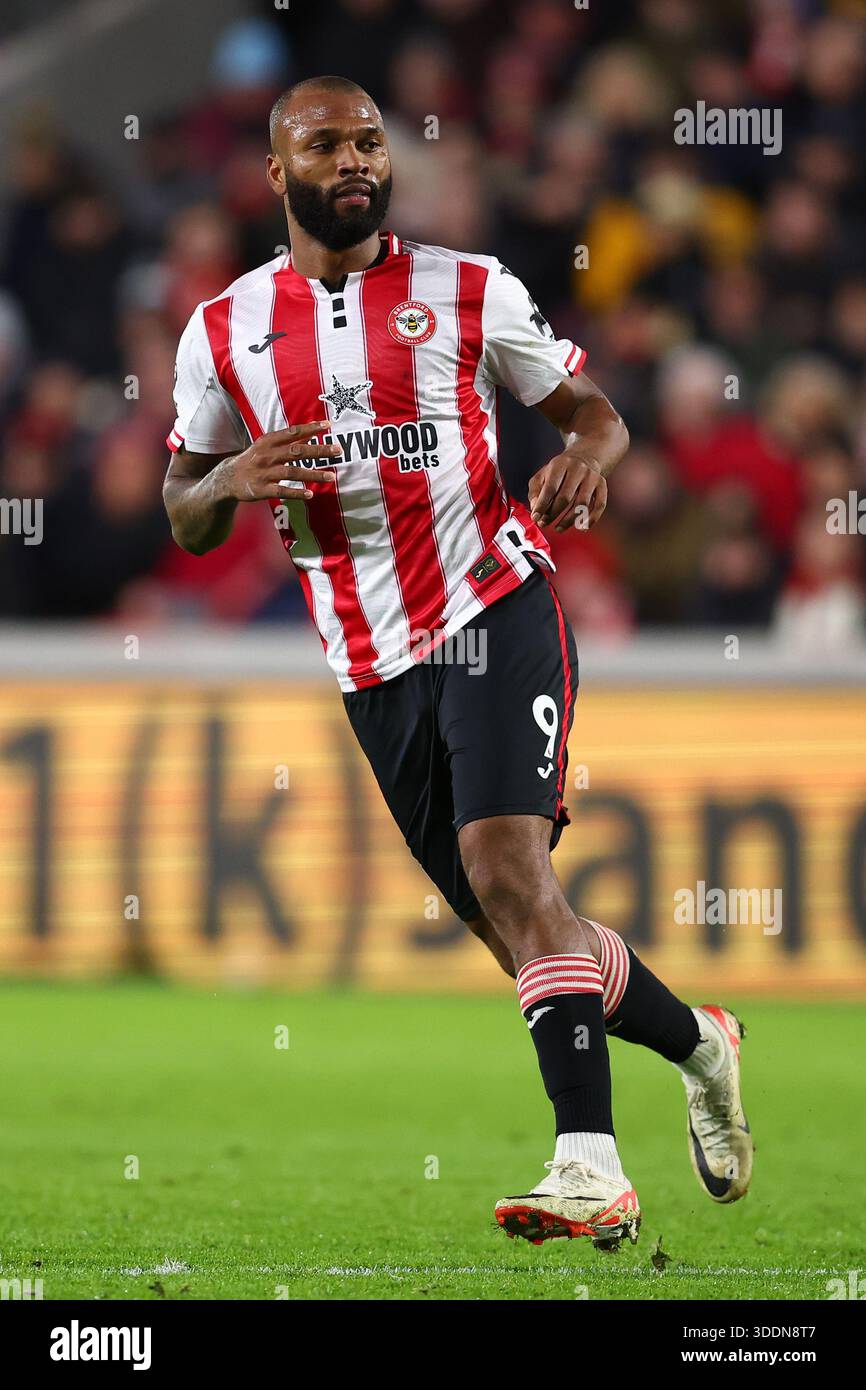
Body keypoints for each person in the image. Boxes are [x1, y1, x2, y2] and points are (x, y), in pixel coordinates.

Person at [162, 76, 752, 1250]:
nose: (354, 160)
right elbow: (182, 506)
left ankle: (588, 1165)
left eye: (369, 140)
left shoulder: (468, 289)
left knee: (501, 862)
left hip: (492, 600)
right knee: (519, 927)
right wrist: (227, 481)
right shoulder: (222, 330)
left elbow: (591, 412)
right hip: (368, 662)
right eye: (324, 144)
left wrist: (586, 457)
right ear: (276, 175)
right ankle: (700, 1044)